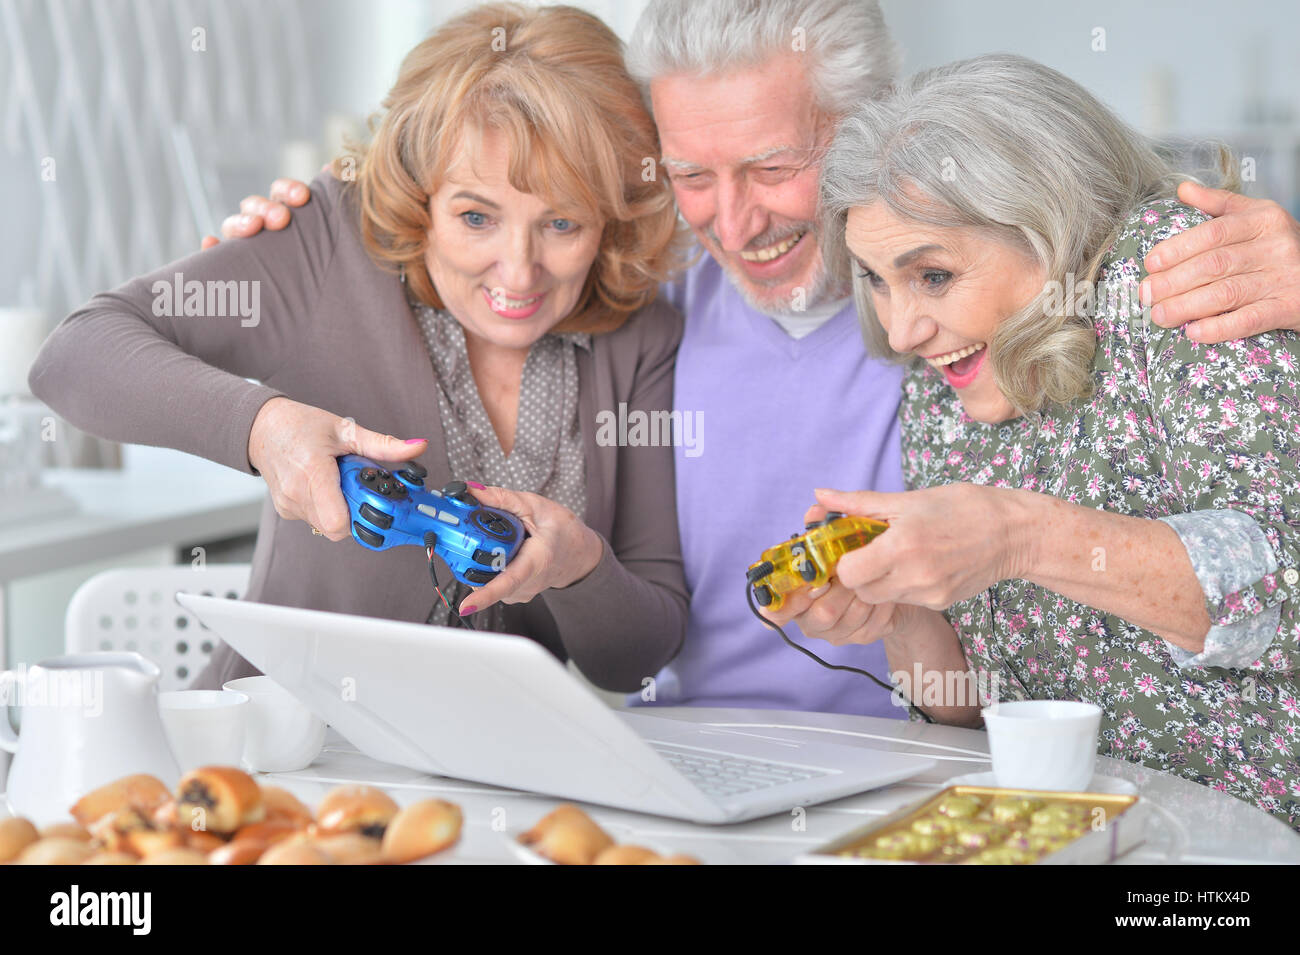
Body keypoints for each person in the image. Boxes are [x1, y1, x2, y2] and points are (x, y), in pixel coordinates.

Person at [211, 0, 1300, 718]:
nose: (733, 222)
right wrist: (306, 228)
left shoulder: (961, 321)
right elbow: (457, 253)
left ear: (874, 132)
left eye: (777, 165)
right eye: (692, 174)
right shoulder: (633, 293)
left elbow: (1242, 563)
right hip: (680, 756)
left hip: (930, 764)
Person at [28, 4, 690, 692]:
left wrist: (580, 564)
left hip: (493, 784)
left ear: (612, 214)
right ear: (418, 193)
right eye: (474, 217)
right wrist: (265, 428)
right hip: (277, 757)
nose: (519, 271)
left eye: (562, 221)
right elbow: (76, 354)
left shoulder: (641, 335)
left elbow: (636, 655)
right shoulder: (327, 244)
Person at [797, 53, 1300, 826]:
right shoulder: (943, 382)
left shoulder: (1177, 275)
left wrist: (1018, 536)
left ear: (1048, 221)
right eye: (874, 278)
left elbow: (1278, 589)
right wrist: (896, 608)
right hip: (1065, 833)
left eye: (931, 275)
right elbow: (970, 710)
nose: (901, 330)